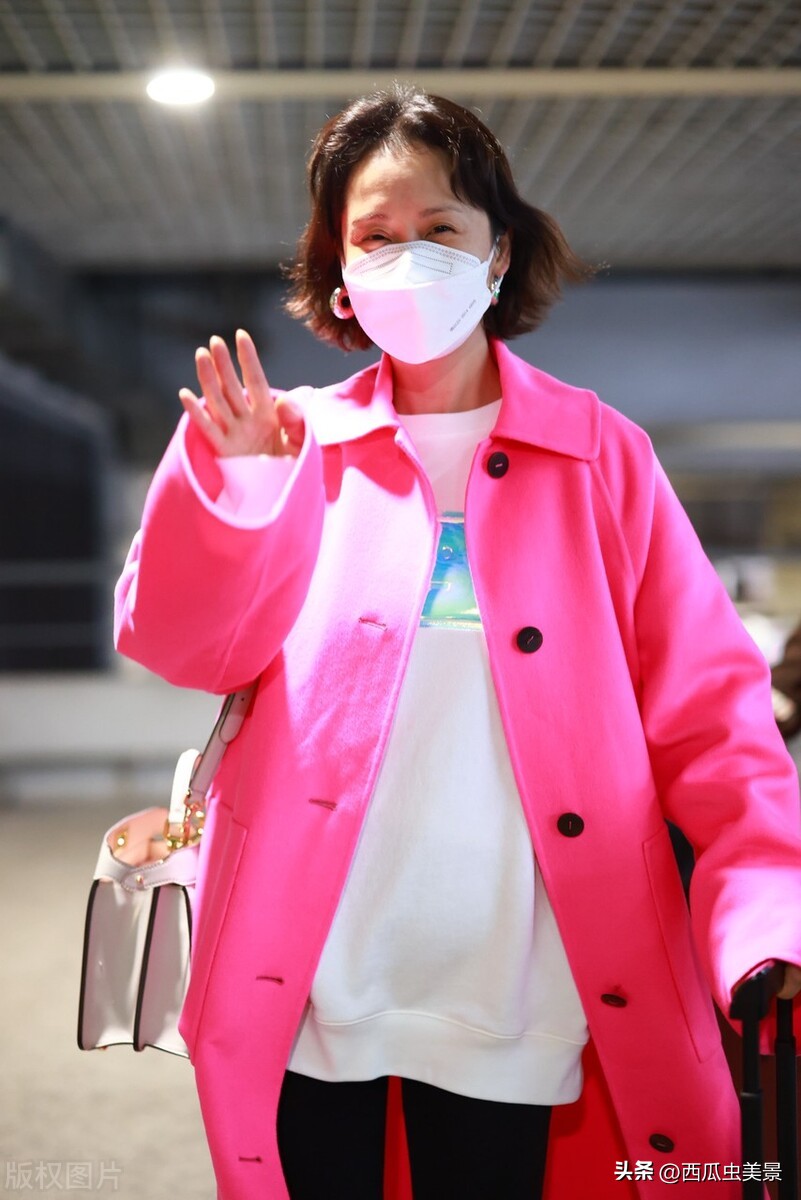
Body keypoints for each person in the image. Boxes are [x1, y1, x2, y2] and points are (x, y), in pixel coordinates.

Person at [114, 85, 801, 1200]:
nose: (409, 259)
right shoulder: (288, 443)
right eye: (375, 236)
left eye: (440, 229)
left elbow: (713, 726)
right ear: (338, 270)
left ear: (498, 252)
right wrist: (237, 493)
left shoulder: (600, 457)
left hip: (514, 978)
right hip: (308, 966)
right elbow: (190, 649)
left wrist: (766, 912)